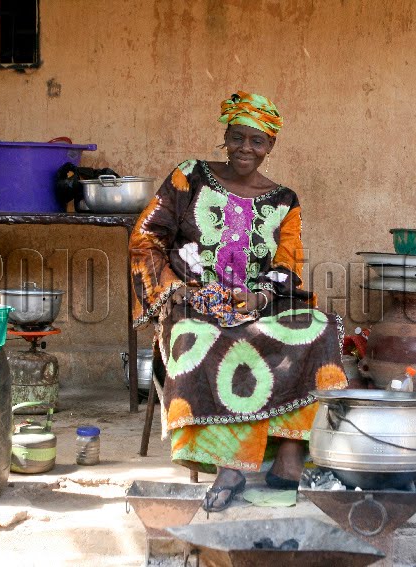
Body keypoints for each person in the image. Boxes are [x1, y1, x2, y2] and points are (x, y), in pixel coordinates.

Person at [129, 91, 347, 512]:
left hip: (261, 301)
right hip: (193, 299)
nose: (246, 148)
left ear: (271, 146)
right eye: (237, 137)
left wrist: (260, 294)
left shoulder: (284, 199)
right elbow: (147, 238)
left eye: (257, 141)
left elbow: (289, 261)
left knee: (319, 328)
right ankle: (230, 463)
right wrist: (176, 290)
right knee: (199, 338)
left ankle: (289, 456)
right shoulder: (188, 176)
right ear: (225, 137)